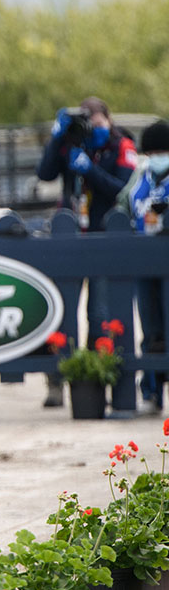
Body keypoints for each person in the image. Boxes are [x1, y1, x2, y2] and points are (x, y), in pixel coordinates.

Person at [35, 97, 138, 406]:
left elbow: (121, 189)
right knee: (61, 311)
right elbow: (45, 173)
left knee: (100, 313)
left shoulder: (122, 146)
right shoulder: (71, 142)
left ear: (108, 119)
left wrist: (90, 169)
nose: (93, 128)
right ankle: (57, 380)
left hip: (105, 235)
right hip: (71, 236)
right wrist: (57, 138)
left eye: (98, 122)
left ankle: (97, 378)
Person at [116, 119, 169, 413]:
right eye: (153, 152)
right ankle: (151, 390)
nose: (157, 157)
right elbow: (122, 205)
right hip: (143, 260)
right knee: (150, 330)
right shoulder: (140, 175)